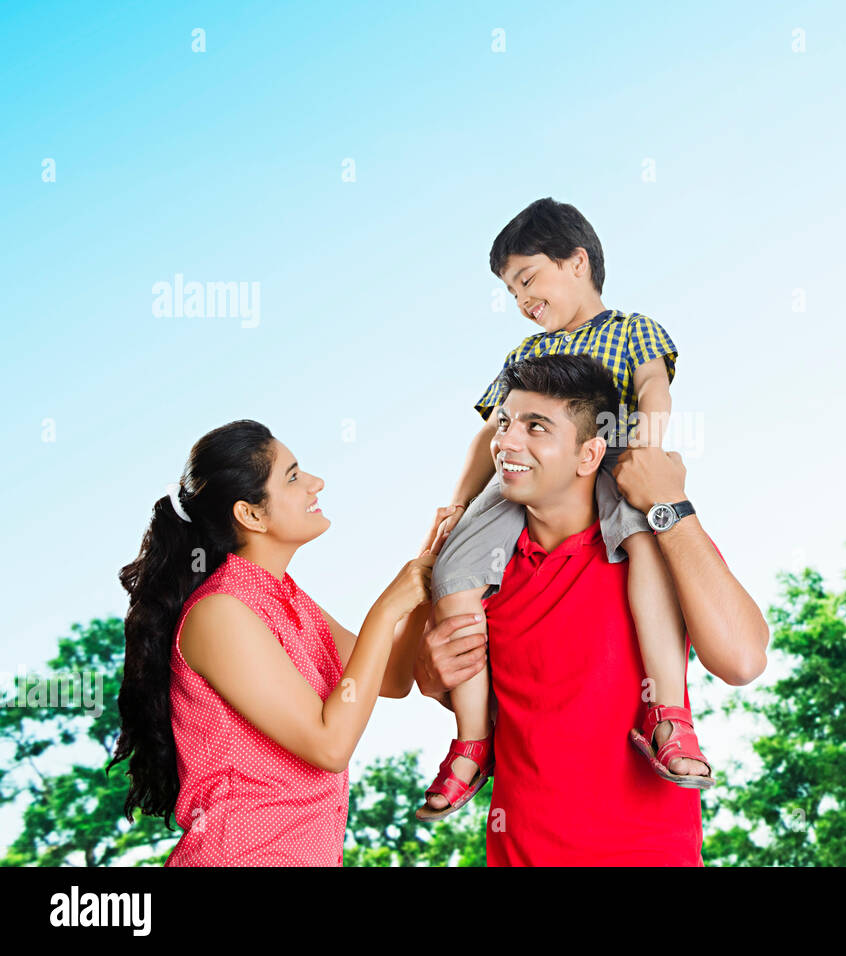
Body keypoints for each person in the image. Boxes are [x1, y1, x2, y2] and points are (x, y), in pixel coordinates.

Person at [401, 354, 770, 864]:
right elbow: (451, 691)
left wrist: (671, 503)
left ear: (589, 453)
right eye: (505, 423)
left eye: (536, 428)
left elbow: (743, 660)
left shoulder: (659, 552)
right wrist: (429, 673)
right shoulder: (483, 569)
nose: (507, 443)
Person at [414, 197, 713, 820]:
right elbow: (489, 431)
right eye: (509, 289)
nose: (520, 298)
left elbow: (654, 387)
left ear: (576, 262)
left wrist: (646, 457)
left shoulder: (631, 329)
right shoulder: (527, 355)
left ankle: (669, 713)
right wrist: (458, 504)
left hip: (609, 465)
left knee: (646, 553)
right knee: (453, 570)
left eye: (527, 279)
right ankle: (473, 736)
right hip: (522, 481)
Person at [111, 419, 477, 866]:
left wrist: (423, 570)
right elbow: (329, 746)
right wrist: (386, 609)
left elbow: (392, 677)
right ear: (250, 514)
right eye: (293, 476)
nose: (315, 483)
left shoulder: (285, 597)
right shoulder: (221, 614)